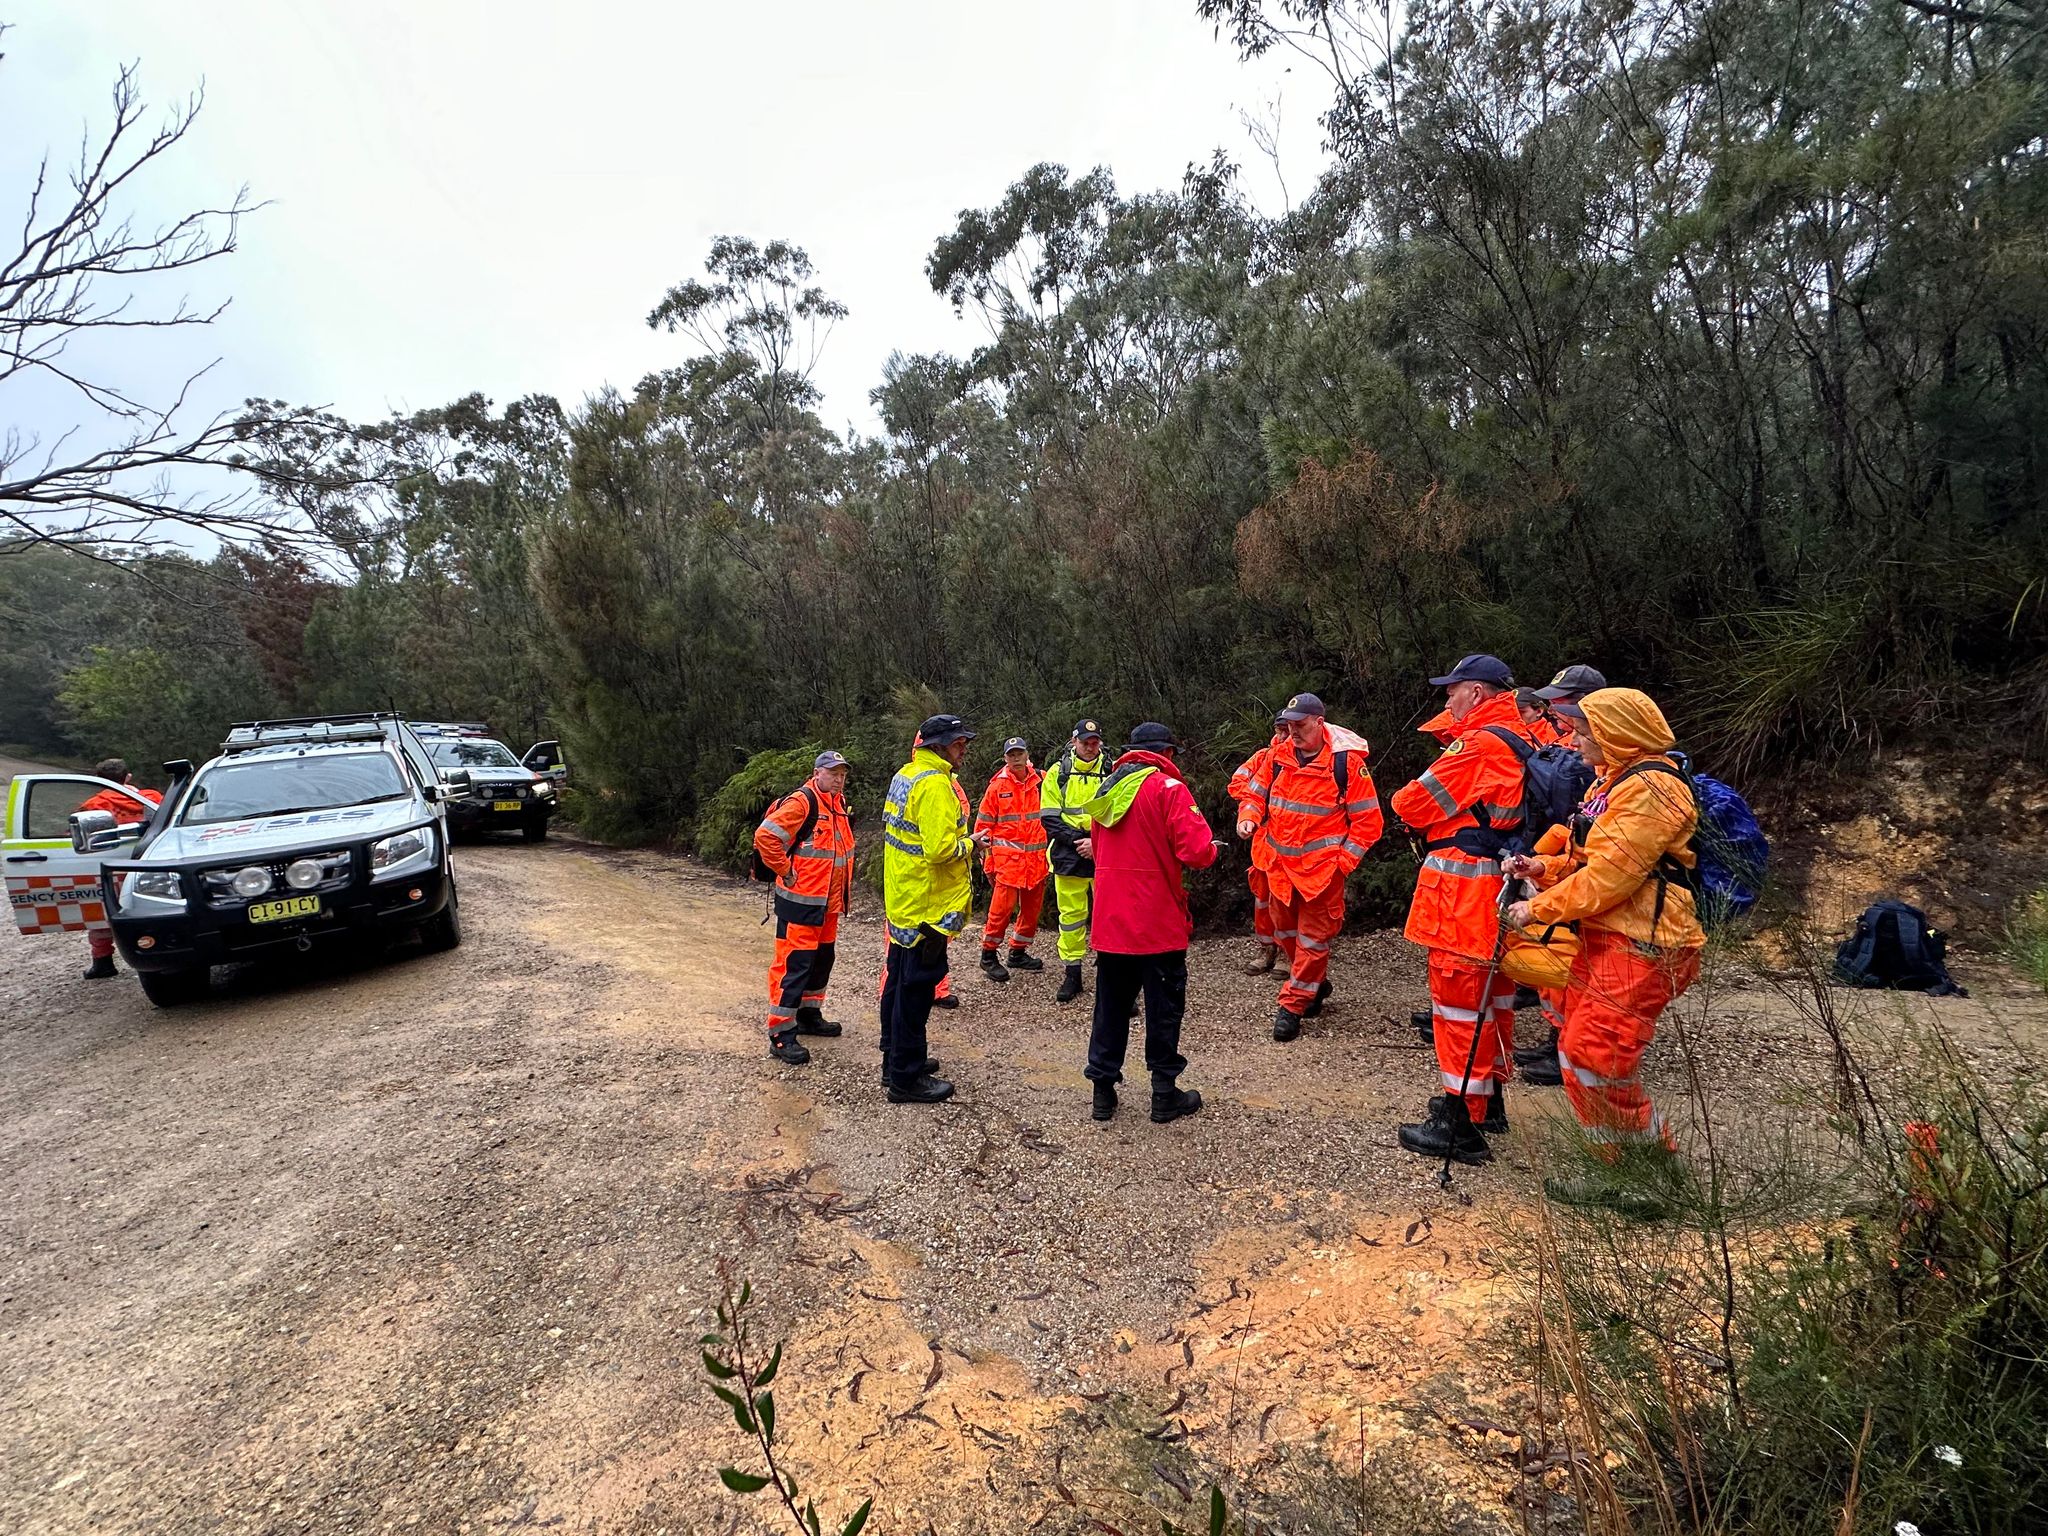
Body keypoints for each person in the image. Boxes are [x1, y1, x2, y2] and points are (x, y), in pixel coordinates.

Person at [1502, 689, 1704, 1213]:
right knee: (1580, 1051)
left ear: (1617, 734)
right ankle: (1616, 1168)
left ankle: (1653, 1178)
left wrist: (1538, 908)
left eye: (1584, 732)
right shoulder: (1612, 781)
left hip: (1646, 945)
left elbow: (1613, 877)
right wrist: (1542, 868)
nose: (1574, 740)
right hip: (1609, 936)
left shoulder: (1652, 788)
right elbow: (1587, 860)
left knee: (1597, 1053)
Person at [1389, 655, 1535, 1164]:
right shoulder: (1525, 735)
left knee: (1457, 1008)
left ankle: (1461, 1123)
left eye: (1452, 690)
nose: (1447, 699)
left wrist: (1414, 799)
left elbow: (1410, 803)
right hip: (1502, 887)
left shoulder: (1478, 744)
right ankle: (1488, 1103)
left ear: (1476, 692)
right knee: (1493, 1002)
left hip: (1464, 895)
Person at [1079, 723, 1221, 1123]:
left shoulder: (1107, 789)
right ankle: (1163, 1095)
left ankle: (1102, 1093)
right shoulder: (1169, 789)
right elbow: (1196, 852)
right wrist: (1213, 849)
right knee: (1163, 1011)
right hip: (1157, 922)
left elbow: (1101, 848)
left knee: (1110, 1010)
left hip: (1111, 922)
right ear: (1167, 754)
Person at [1233, 693, 1382, 1042]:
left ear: (1319, 722)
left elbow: (1368, 822)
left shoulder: (1346, 764)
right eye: (1289, 725)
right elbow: (1253, 795)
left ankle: (1292, 1006)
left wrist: (1343, 863)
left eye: (1300, 725)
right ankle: (1314, 983)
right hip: (1280, 870)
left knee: (1312, 942)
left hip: (1322, 874)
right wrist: (1248, 817)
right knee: (1286, 935)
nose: (1294, 732)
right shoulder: (1277, 757)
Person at [1512, 663, 1610, 1084]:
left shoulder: (1607, 754)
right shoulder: (1575, 746)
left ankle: (1571, 1049)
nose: (1555, 710)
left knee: (1572, 961)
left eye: (1563, 701)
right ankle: (1559, 1040)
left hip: (1584, 875)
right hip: (1562, 860)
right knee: (1557, 958)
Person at [879, 715, 978, 1104]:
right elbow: (940, 851)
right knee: (916, 991)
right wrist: (973, 844)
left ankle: (894, 1061)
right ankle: (906, 1077)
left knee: (898, 983)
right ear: (937, 746)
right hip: (927, 907)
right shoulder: (935, 784)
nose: (963, 749)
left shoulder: (907, 774)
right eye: (957, 743)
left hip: (905, 899)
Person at [753, 751, 856, 1065]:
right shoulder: (803, 802)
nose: (838, 779)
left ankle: (809, 1015)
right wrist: (785, 871)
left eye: (842, 774)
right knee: (793, 966)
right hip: (801, 904)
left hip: (828, 905)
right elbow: (766, 836)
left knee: (820, 962)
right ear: (817, 772)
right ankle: (781, 1033)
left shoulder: (837, 804)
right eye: (833, 773)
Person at [1040, 718, 1111, 1004]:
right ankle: (1073, 974)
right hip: (1069, 852)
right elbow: (1049, 817)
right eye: (1085, 743)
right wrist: (1078, 841)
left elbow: (1121, 812)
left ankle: (1112, 977)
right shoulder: (1057, 773)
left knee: (1110, 915)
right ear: (1074, 742)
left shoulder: (1112, 770)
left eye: (1095, 742)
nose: (1091, 748)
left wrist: (1096, 842)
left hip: (1105, 850)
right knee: (1070, 917)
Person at [77, 759, 162, 980]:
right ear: (128, 777)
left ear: (97, 779)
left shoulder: (93, 805)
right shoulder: (152, 798)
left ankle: (102, 961)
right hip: (149, 863)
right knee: (156, 909)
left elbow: (75, 837)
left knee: (103, 912)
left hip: (109, 867)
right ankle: (158, 955)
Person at [973, 738, 1049, 982]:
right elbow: (983, 830)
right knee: (1000, 913)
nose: (1016, 758)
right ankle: (988, 955)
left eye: (1019, 753)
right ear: (1005, 758)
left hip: (1036, 862)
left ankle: (1017, 952)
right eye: (1011, 754)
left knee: (1031, 912)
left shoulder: (1043, 781)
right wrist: (988, 864)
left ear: (1027, 755)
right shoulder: (997, 787)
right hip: (1008, 864)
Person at [1227, 727, 1288, 974]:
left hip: (1295, 845)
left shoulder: (1309, 760)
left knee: (1285, 899)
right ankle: (1266, 947)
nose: (1285, 736)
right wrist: (1258, 804)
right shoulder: (1264, 757)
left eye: (1290, 730)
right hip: (1265, 841)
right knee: (1262, 898)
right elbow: (1237, 783)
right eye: (1281, 730)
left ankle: (1287, 951)